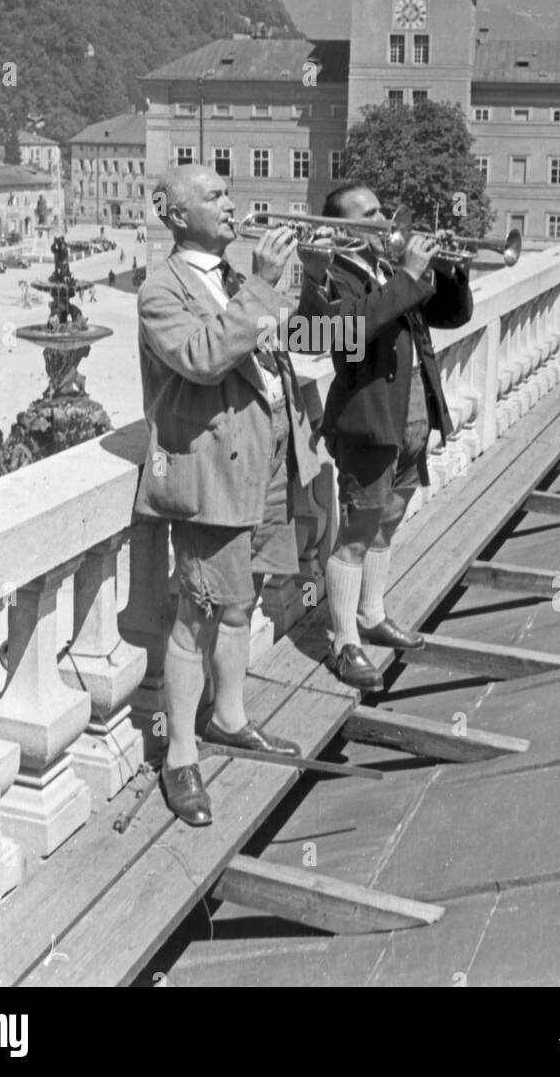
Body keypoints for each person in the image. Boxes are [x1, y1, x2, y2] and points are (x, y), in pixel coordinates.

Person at [136, 165, 320, 826]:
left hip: (267, 460)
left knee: (240, 608)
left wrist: (300, 279)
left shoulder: (238, 280)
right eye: (214, 196)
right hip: (210, 475)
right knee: (197, 612)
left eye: (229, 193)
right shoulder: (160, 289)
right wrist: (265, 288)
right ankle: (179, 755)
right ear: (176, 214)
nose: (232, 204)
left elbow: (278, 344)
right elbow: (204, 357)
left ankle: (230, 719)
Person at [298, 184, 473, 691]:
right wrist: (410, 276)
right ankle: (344, 642)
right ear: (345, 229)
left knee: (387, 524)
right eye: (370, 214)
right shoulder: (336, 276)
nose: (387, 220)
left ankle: (372, 614)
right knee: (355, 534)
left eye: (383, 210)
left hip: (412, 416)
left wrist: (450, 269)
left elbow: (452, 314)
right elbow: (336, 335)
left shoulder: (390, 268)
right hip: (368, 425)